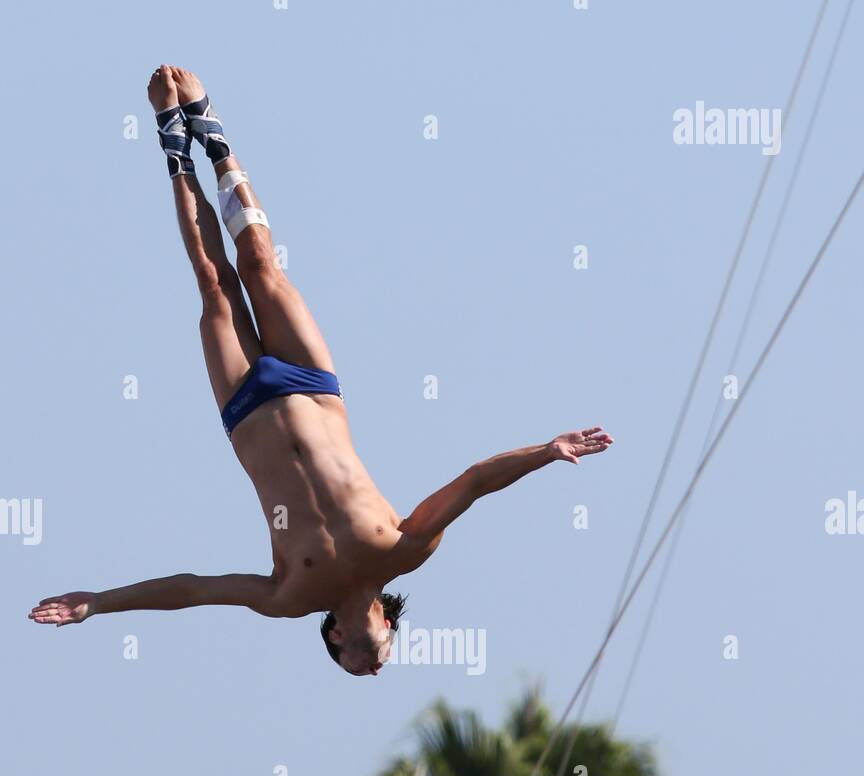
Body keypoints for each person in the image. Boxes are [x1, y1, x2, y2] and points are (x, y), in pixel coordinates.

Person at [29, 66, 613, 677]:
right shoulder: (405, 547)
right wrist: (547, 451)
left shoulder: (290, 596)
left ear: (332, 637)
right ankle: (215, 139)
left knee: (214, 286)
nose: (371, 662)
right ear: (386, 624)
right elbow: (471, 483)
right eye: (379, 657)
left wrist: (98, 603)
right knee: (260, 266)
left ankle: (173, 149)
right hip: (313, 387)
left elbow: (194, 589)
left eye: (353, 663)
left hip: (245, 410)